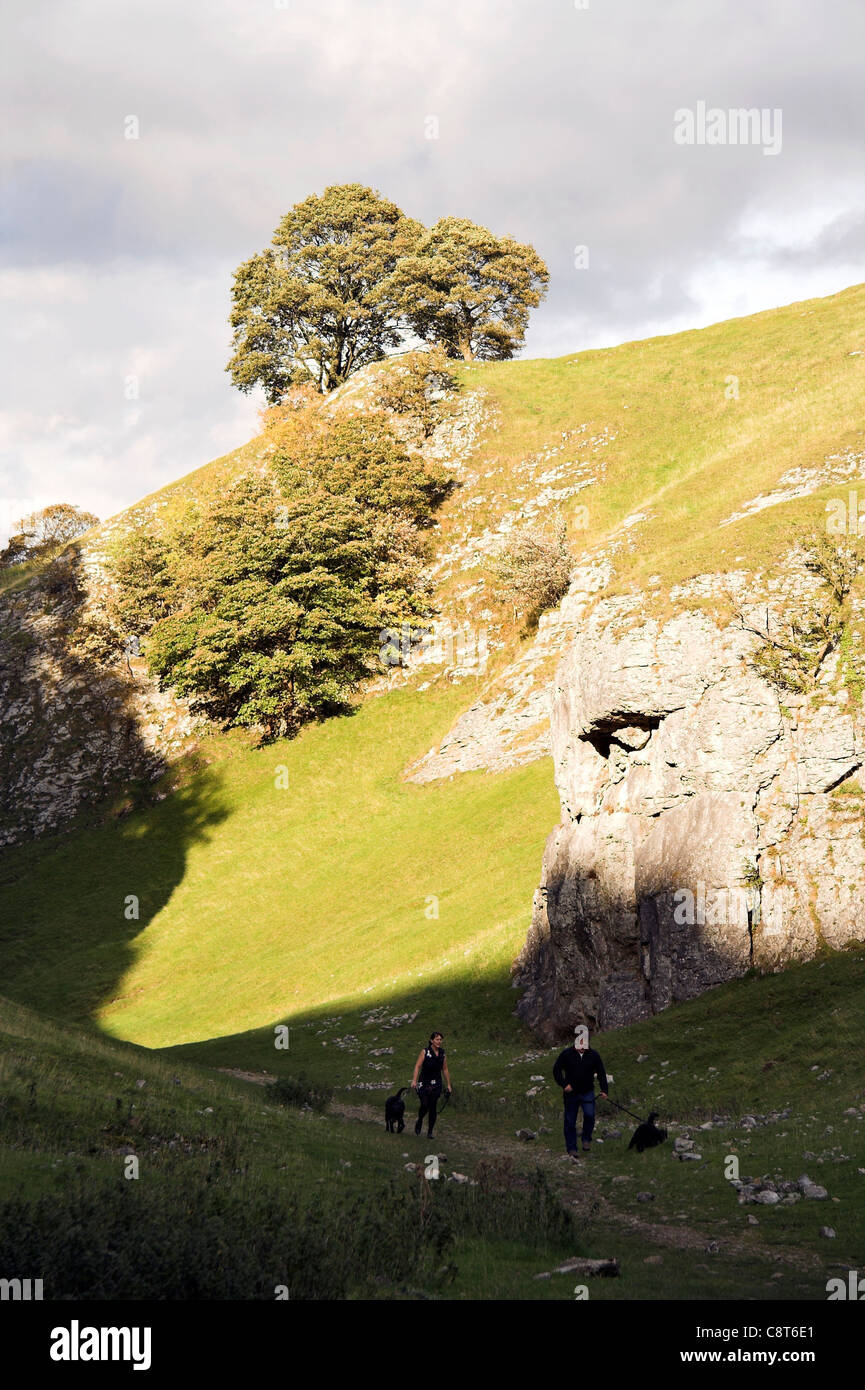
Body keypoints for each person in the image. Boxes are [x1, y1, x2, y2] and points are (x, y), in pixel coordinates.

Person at [552, 1027, 608, 1159]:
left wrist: (604, 1090)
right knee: (570, 1121)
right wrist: (564, 1084)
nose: (582, 1047)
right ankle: (571, 1148)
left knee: (590, 1115)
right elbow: (556, 1070)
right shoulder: (566, 1054)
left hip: (587, 1092)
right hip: (571, 1094)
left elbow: (601, 1073)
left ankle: (586, 1138)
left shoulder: (594, 1055)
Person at [412, 1031, 452, 1139]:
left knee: (433, 1107)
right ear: (431, 1041)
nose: (439, 1041)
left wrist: (448, 1084)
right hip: (424, 1082)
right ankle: (420, 1120)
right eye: (437, 1039)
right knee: (425, 1104)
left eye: (440, 1039)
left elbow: (445, 1069)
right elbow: (417, 1066)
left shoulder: (442, 1053)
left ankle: (430, 1131)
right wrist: (414, 1080)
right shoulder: (425, 1052)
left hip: (436, 1083)